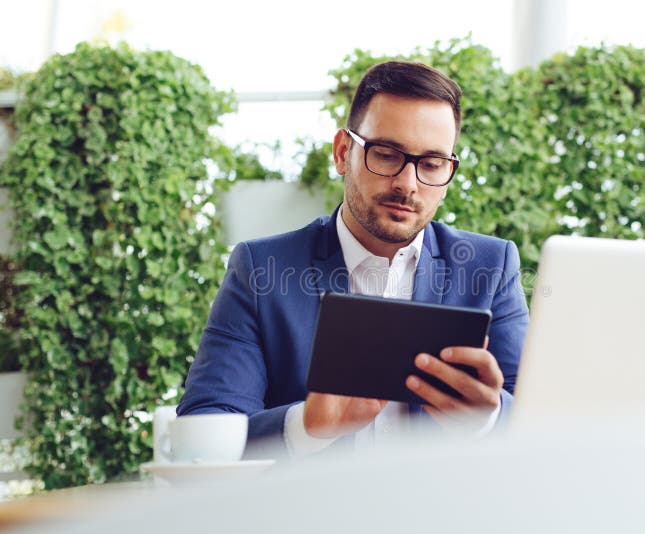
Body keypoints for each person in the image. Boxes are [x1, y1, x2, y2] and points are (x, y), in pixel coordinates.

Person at [177, 61, 529, 458]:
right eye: (386, 154)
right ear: (344, 153)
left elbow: (541, 426)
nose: (407, 184)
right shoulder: (261, 269)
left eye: (431, 164)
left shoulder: (492, 266)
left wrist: (488, 418)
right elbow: (201, 431)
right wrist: (306, 426)